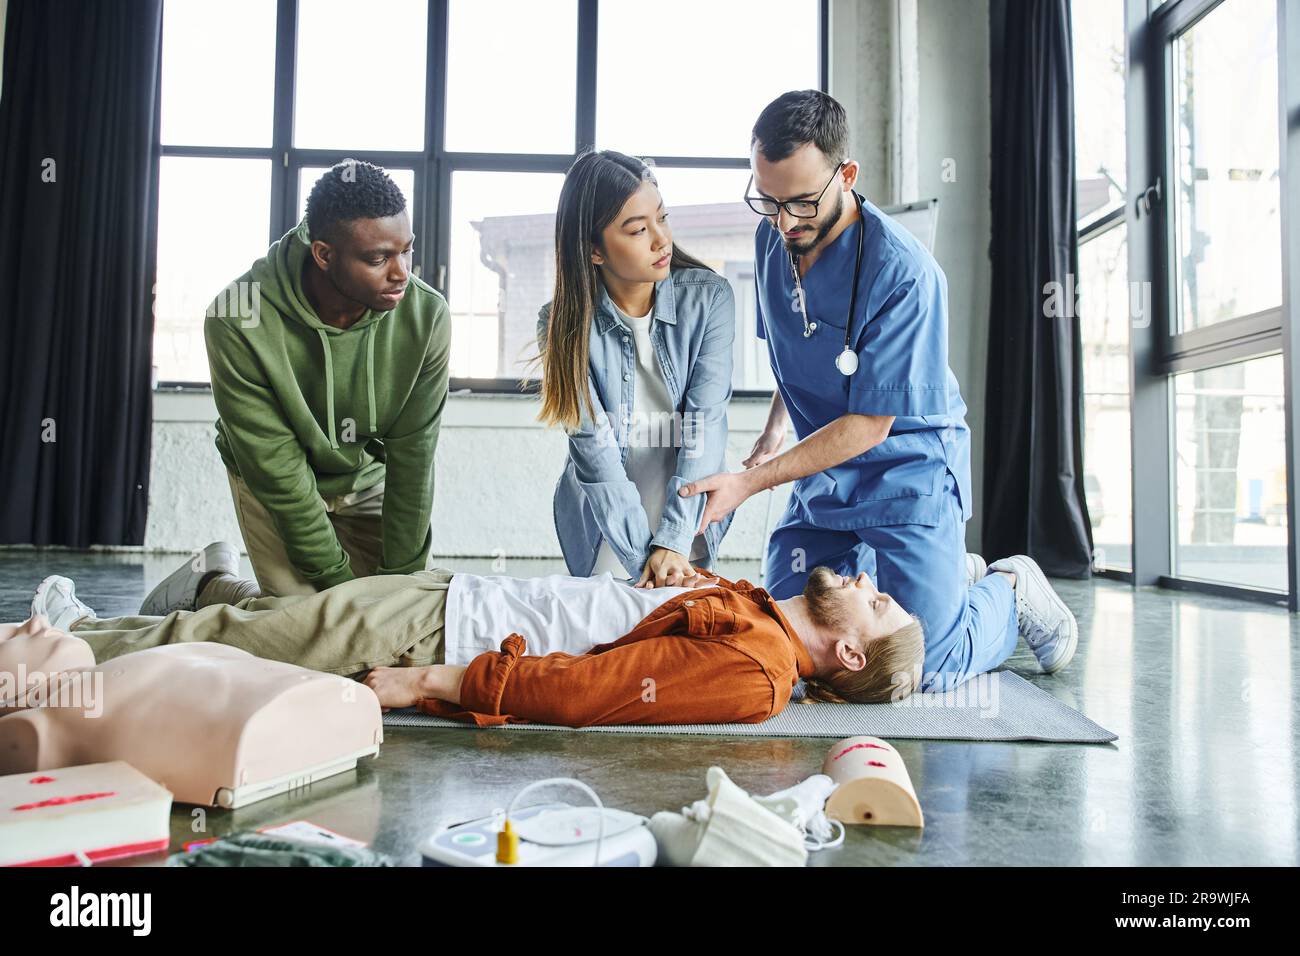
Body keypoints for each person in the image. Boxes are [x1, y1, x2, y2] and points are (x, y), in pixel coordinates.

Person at [676, 90, 1078, 691]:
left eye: (802, 203)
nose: (784, 221)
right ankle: (938, 578)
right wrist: (772, 433)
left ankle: (1008, 589)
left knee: (923, 663)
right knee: (799, 639)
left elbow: (870, 425)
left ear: (848, 175)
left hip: (907, 470)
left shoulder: (906, 274)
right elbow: (799, 351)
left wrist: (753, 482)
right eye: (768, 199)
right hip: (826, 471)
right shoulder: (773, 240)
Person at [26, 551, 930, 728]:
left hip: (448, 632)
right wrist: (675, 570)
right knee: (258, 624)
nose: (869, 586)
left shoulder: (759, 677)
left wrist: (433, 684)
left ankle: (61, 654)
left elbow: (586, 694)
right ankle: (87, 633)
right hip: (463, 593)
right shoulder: (763, 616)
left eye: (879, 608)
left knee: (243, 635)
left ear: (850, 656)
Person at [143, 160, 451, 615]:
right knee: (303, 625)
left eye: (407, 251)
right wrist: (339, 593)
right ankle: (209, 585)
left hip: (362, 474)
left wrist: (399, 590)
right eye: (378, 258)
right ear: (324, 254)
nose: (401, 272)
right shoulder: (237, 317)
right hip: (273, 483)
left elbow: (414, 457)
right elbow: (280, 473)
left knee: (399, 616)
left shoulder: (426, 317)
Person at [536, 150, 736, 589]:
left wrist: (675, 541)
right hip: (609, 528)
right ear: (593, 250)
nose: (661, 239)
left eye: (662, 218)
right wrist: (644, 557)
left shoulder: (709, 300)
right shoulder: (563, 326)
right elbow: (595, 455)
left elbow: (705, 424)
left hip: (689, 518)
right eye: (638, 230)